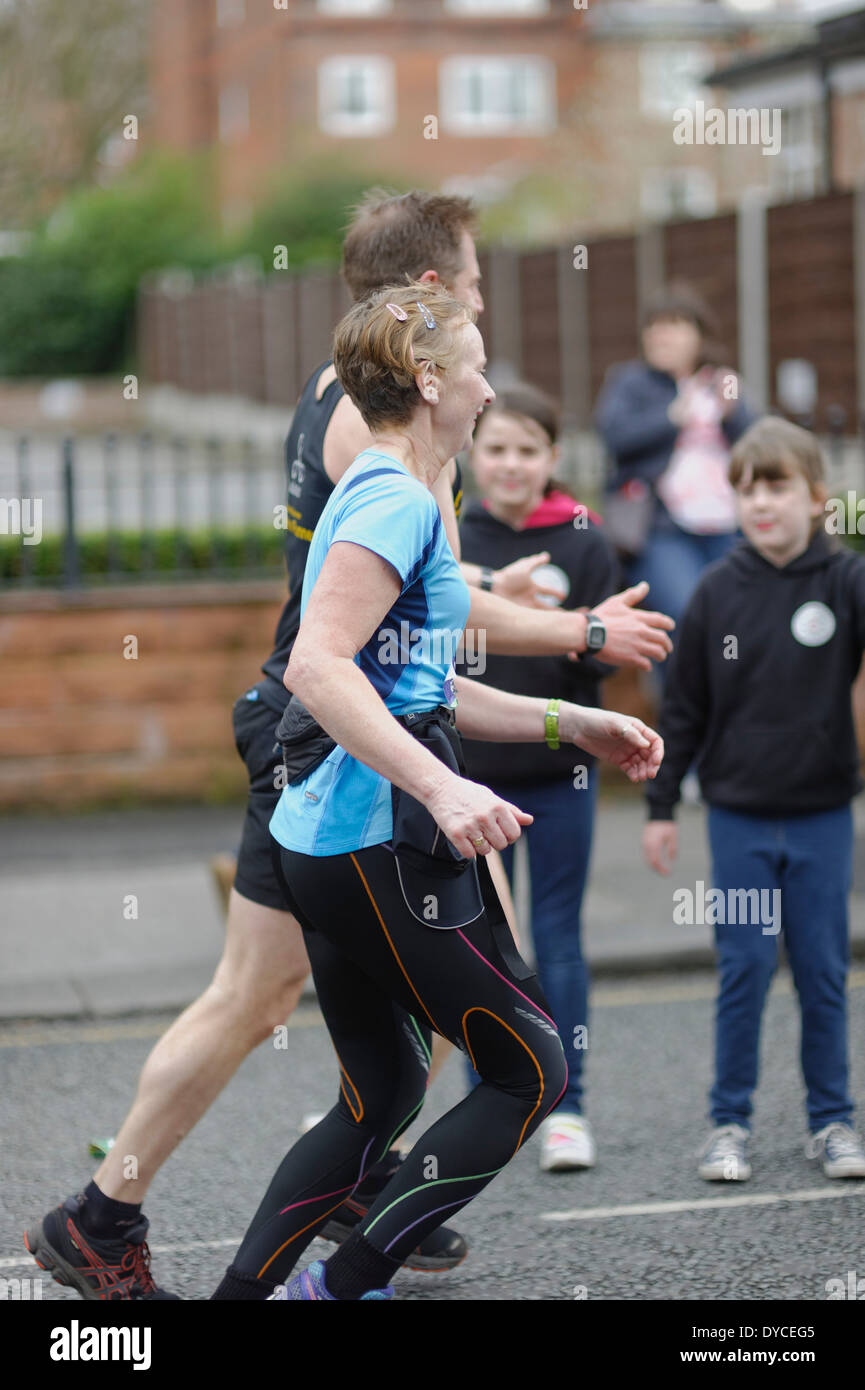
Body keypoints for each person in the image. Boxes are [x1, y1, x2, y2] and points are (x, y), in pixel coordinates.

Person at [24, 191, 674, 1301]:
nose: (485, 358)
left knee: (370, 1068)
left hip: (343, 775)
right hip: (343, 776)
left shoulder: (386, 459)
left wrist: (569, 710)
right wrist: (565, 645)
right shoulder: (386, 469)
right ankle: (140, 1221)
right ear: (426, 337)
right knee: (486, 1055)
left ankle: (355, 1209)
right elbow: (335, 660)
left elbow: (411, 654)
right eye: (472, 320)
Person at [209, 280, 664, 1301]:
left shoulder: (406, 489)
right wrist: (444, 792)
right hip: (369, 839)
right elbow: (321, 669)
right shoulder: (394, 498)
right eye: (476, 364)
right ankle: (342, 1285)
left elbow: (417, 680)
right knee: (531, 1067)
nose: (490, 385)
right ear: (428, 381)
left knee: (383, 1096)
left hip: (333, 839)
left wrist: (571, 718)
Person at [642, 416, 865, 1183]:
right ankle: (727, 1123)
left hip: (824, 819)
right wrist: (661, 807)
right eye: (745, 490)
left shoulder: (846, 582)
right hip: (736, 819)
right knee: (742, 969)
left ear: (814, 497)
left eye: (775, 487)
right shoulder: (714, 592)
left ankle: (831, 1122)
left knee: (822, 971)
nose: (760, 503)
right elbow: (684, 711)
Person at [458, 382, 620, 1172]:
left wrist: (596, 644)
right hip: (466, 785)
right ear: (473, 454)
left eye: (528, 450)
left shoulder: (586, 540)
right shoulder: (448, 533)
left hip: (560, 781)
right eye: (496, 448)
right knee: (479, 950)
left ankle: (568, 1108)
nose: (511, 464)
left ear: (553, 458)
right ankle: (487, 1100)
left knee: (555, 939)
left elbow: (603, 656)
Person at [596, 282, 756, 640]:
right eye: (653, 326)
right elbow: (613, 437)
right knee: (683, 612)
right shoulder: (631, 381)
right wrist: (670, 418)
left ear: (699, 334)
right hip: (659, 525)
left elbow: (755, 446)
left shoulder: (720, 380)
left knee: (736, 615)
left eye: (672, 325)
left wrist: (732, 414)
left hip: (727, 523)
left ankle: (726, 695)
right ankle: (677, 696)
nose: (659, 335)